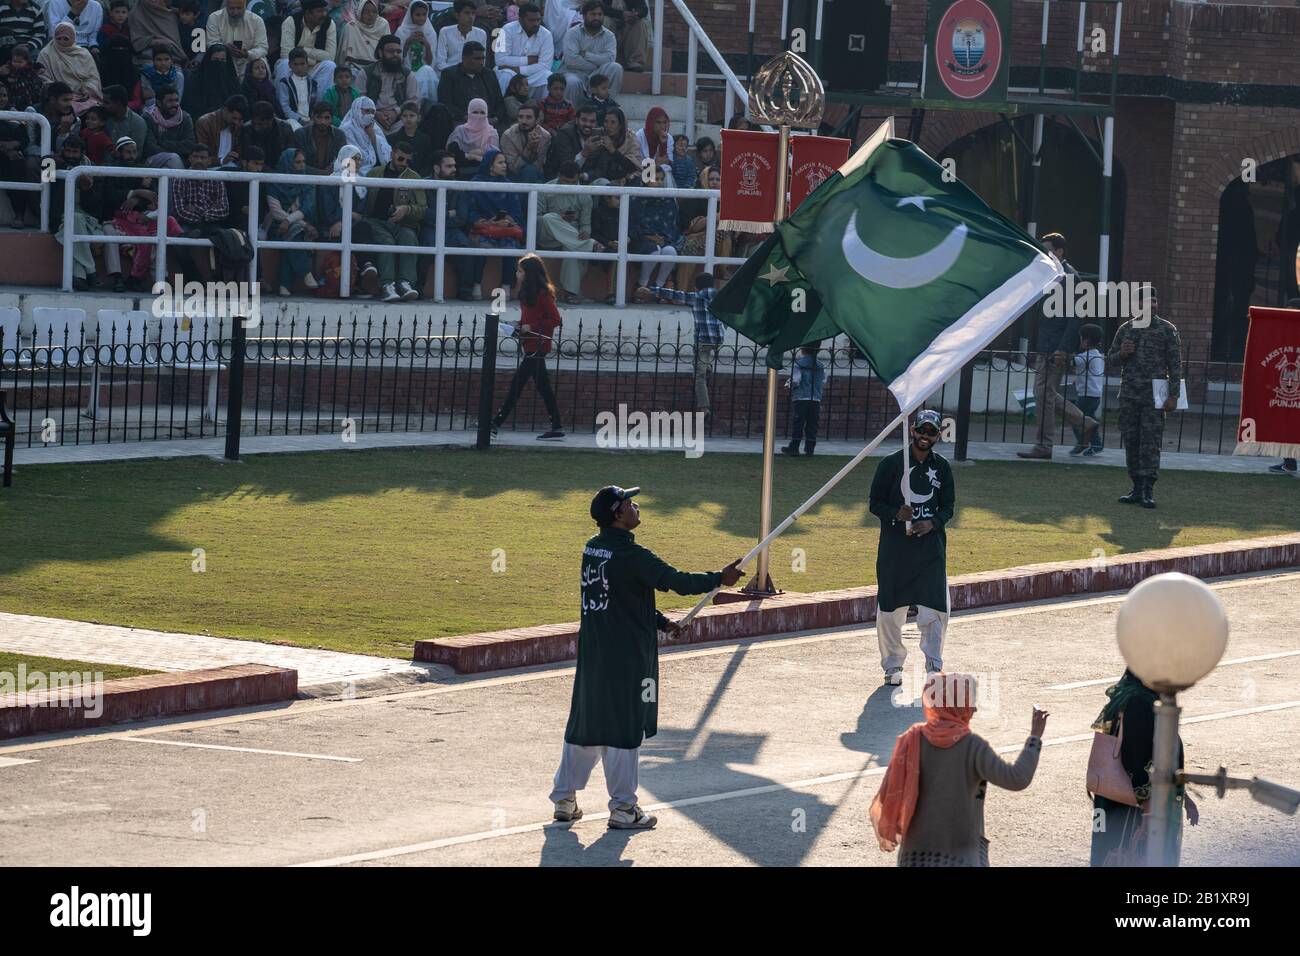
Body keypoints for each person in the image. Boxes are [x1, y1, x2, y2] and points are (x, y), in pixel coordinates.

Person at [550, 484, 743, 829]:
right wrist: (720, 578)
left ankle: (564, 798)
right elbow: (678, 581)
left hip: (594, 652)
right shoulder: (632, 555)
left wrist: (663, 623)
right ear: (617, 515)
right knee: (625, 728)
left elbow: (620, 597)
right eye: (629, 503)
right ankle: (624, 808)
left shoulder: (592, 549)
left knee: (587, 721)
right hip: (627, 655)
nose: (636, 506)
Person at [871, 673, 1047, 866]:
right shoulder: (971, 746)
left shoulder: (910, 740)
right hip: (959, 858)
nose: (975, 709)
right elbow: (1017, 778)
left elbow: (889, 794)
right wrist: (1035, 737)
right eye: (971, 702)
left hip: (914, 858)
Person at [868, 408, 955, 685]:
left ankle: (933, 663)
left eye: (932, 432)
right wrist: (896, 513)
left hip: (930, 549)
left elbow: (948, 506)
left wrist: (933, 523)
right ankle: (892, 665)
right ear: (912, 430)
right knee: (891, 608)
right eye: (921, 430)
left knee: (935, 607)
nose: (925, 436)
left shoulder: (941, 467)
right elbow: (874, 503)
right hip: (896, 549)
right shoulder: (891, 464)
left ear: (938, 435)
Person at [1089, 669, 1196, 867]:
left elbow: (1160, 759)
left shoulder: (1136, 696)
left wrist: (1184, 797)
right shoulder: (1139, 703)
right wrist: (1148, 813)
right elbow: (1137, 762)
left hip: (1118, 804)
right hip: (1133, 811)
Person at [1017, 232, 1099, 460]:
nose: (1044, 254)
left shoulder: (1070, 277)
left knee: (1043, 393)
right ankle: (1085, 423)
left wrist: (1063, 349)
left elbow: (1075, 318)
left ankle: (1045, 445)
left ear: (1060, 251)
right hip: (1047, 345)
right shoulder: (1051, 275)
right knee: (1044, 393)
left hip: (1056, 348)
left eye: (1048, 249)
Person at [1108, 286, 1182, 509]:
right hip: (1130, 394)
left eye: (1154, 301)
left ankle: (1148, 489)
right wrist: (1122, 353)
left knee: (1150, 442)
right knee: (1131, 440)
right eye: (1147, 301)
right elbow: (1111, 359)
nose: (1152, 305)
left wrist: (1174, 395)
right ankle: (1136, 487)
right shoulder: (1126, 329)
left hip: (1154, 396)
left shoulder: (1167, 330)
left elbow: (1175, 365)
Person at [489, 254, 567, 438]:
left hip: (538, 344)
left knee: (517, 384)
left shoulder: (544, 293)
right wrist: (518, 324)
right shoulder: (527, 293)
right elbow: (529, 318)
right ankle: (557, 425)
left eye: (521, 271)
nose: (517, 274)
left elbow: (555, 319)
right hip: (530, 343)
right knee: (544, 387)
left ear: (529, 273)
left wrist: (532, 326)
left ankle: (495, 423)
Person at [645, 271, 721, 415]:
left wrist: (653, 290)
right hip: (717, 339)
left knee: (699, 376)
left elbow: (674, 294)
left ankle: (704, 407)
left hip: (703, 339)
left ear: (697, 287)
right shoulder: (720, 297)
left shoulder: (696, 297)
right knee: (704, 356)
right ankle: (707, 366)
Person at [357, 138, 424, 301]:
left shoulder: (415, 179)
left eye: (408, 161)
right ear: (392, 154)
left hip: (402, 224)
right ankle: (386, 285)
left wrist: (406, 209)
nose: (404, 163)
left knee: (409, 238)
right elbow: (362, 200)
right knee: (386, 242)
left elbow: (422, 209)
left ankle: (406, 283)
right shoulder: (375, 173)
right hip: (375, 222)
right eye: (401, 158)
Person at [536, 159, 601, 303]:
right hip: (548, 235)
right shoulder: (545, 189)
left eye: (573, 182)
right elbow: (536, 218)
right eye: (566, 182)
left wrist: (585, 232)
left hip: (573, 236)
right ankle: (591, 245)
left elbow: (585, 224)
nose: (570, 186)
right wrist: (560, 218)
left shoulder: (584, 195)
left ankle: (571, 293)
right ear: (559, 176)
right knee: (548, 217)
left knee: (572, 248)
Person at [420, 147, 479, 298]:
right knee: (424, 246)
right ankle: (417, 288)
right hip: (430, 229)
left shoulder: (459, 186)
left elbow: (461, 217)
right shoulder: (423, 185)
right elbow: (423, 214)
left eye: (454, 166)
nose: (454, 169)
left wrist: (438, 217)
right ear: (436, 168)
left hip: (452, 230)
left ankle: (465, 291)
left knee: (465, 246)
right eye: (449, 166)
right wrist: (448, 214)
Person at [466, 147, 521, 299]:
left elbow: (516, 213)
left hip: (504, 230)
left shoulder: (509, 185)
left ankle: (506, 287)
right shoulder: (475, 183)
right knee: (483, 246)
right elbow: (470, 211)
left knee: (510, 246)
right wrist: (486, 222)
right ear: (490, 165)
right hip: (482, 229)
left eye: (505, 162)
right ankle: (476, 285)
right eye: (500, 163)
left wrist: (506, 221)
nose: (504, 166)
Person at [266, 147, 322, 294]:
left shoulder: (307, 182)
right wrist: (296, 223)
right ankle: (305, 273)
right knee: (295, 232)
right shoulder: (274, 182)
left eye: (303, 162)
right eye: (297, 162)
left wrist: (290, 222)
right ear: (288, 163)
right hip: (276, 225)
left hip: (297, 226)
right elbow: (276, 211)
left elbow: (307, 209)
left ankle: (285, 285)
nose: (302, 165)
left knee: (292, 237)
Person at [629, 163, 679, 297]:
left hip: (664, 239)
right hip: (641, 240)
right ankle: (641, 285)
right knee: (655, 251)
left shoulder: (668, 200)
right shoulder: (636, 199)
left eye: (662, 179)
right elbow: (631, 226)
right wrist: (648, 237)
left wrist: (664, 238)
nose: (660, 183)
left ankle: (658, 287)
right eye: (656, 179)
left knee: (670, 251)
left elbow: (673, 225)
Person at [560, 0, 620, 104]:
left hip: (598, 74)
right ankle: (573, 115)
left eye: (599, 14)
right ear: (584, 16)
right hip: (574, 73)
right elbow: (571, 61)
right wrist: (597, 65)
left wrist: (586, 55)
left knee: (615, 67)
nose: (596, 17)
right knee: (571, 81)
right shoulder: (572, 33)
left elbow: (610, 59)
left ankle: (608, 107)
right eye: (593, 14)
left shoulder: (609, 36)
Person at [493, 2, 551, 102]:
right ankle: (501, 110)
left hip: (532, 74)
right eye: (532, 20)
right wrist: (528, 60)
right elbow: (500, 60)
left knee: (547, 76)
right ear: (520, 19)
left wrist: (518, 69)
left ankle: (540, 111)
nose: (536, 23)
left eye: (538, 20)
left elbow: (545, 65)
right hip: (509, 72)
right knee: (505, 76)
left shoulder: (546, 34)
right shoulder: (506, 30)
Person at [436, 38, 501, 127]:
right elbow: (445, 103)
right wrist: (466, 118)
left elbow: (499, 102)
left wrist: (496, 118)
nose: (481, 62)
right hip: (461, 123)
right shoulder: (449, 75)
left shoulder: (489, 74)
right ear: (464, 59)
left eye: (483, 58)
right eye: (477, 59)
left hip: (489, 123)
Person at [38, 21, 101, 114]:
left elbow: (93, 78)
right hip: (59, 97)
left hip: (82, 96)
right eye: (59, 38)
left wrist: (87, 89)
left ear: (73, 38)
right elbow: (44, 78)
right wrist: (61, 93)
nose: (62, 42)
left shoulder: (83, 54)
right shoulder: (46, 54)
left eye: (66, 39)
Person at [1067, 323, 1106, 456]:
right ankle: (1096, 444)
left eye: (1080, 338)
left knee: (1077, 419)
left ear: (1086, 340)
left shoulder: (1085, 356)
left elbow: (1071, 362)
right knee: (1089, 420)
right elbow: (1091, 373)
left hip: (1086, 395)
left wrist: (1068, 351)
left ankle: (1082, 443)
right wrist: (1078, 379)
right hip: (1095, 394)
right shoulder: (1098, 355)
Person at [206, 0, 269, 82]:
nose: (235, 12)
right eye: (232, 8)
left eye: (239, 8)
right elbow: (211, 44)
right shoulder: (215, 18)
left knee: (261, 63)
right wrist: (224, 49)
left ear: (245, 6)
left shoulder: (257, 21)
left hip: (248, 62)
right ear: (226, 6)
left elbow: (263, 48)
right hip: (224, 61)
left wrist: (247, 54)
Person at [277, 0, 336, 87]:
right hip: (294, 67)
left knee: (330, 65)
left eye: (325, 10)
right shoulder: (291, 21)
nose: (324, 14)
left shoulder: (329, 23)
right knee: (285, 64)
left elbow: (330, 57)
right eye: (319, 11)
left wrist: (304, 50)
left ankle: (319, 100)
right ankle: (284, 100)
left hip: (315, 69)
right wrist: (313, 59)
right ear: (308, 13)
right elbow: (286, 55)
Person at [782, 343, 826, 457]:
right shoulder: (820, 365)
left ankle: (794, 446)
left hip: (801, 397)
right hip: (815, 398)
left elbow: (796, 380)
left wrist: (788, 385)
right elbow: (824, 380)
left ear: (803, 349)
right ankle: (810, 448)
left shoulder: (799, 364)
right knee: (812, 424)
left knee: (798, 422)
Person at [365, 33, 417, 130]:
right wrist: (376, 113)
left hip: (400, 118)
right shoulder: (366, 73)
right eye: (391, 51)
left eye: (398, 52)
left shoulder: (408, 75)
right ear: (380, 53)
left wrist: (396, 112)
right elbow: (359, 100)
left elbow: (412, 101)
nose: (395, 55)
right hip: (373, 117)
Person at [580, 104, 638, 184]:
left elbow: (632, 167)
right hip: (600, 181)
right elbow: (595, 167)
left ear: (620, 125)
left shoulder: (629, 139)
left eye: (613, 122)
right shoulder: (600, 136)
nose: (608, 126)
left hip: (624, 181)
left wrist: (613, 150)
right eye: (606, 122)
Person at [394, 0, 438, 103]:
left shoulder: (430, 32)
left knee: (427, 70)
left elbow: (431, 62)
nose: (421, 18)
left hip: (424, 71)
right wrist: (408, 43)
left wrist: (426, 44)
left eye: (424, 14)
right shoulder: (402, 31)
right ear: (411, 14)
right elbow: (397, 58)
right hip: (406, 72)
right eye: (417, 15)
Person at [183, 45, 242, 119]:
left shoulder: (232, 83)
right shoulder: (195, 80)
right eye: (215, 59)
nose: (219, 64)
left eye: (222, 60)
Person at [142, 85, 194, 168]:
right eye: (170, 101)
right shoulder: (148, 118)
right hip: (154, 159)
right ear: (159, 103)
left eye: (176, 100)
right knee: (173, 158)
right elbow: (150, 148)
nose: (175, 104)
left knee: (170, 164)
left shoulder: (185, 118)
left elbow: (189, 145)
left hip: (181, 160)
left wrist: (161, 143)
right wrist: (176, 149)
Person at [445, 95, 496, 178]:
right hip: (461, 171)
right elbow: (453, 153)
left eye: (482, 113)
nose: (478, 116)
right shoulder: (460, 130)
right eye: (475, 112)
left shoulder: (492, 133)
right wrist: (472, 155)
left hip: (485, 173)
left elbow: (493, 157)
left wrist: (468, 155)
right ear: (469, 113)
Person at [543, 102, 596, 180]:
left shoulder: (598, 134)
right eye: (584, 120)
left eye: (592, 121)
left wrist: (584, 176)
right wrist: (584, 153)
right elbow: (567, 167)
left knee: (603, 182)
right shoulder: (565, 133)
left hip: (587, 179)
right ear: (576, 120)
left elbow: (601, 168)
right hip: (562, 179)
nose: (588, 124)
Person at [337, 94, 389, 174]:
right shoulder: (347, 129)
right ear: (357, 109)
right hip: (351, 170)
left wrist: (372, 136)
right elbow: (352, 154)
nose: (370, 115)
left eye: (372, 112)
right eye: (367, 111)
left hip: (374, 170)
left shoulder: (374, 128)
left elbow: (387, 155)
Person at [499, 99, 549, 182]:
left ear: (537, 120)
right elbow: (514, 168)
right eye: (520, 117)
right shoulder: (508, 136)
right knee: (529, 171)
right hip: (514, 176)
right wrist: (529, 147)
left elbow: (538, 165)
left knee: (531, 171)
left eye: (528, 117)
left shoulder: (545, 136)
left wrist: (534, 148)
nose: (523, 121)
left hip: (536, 175)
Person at [194, 94, 249, 167]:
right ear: (225, 110)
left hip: (232, 168)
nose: (236, 122)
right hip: (209, 169)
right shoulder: (205, 123)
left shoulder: (238, 126)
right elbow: (201, 156)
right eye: (234, 118)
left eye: (239, 120)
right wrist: (222, 160)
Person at [293, 98, 346, 172]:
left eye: (326, 118)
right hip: (306, 178)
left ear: (331, 119)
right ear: (312, 117)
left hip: (332, 178)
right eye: (319, 117)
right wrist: (322, 173)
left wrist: (334, 168)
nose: (322, 122)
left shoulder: (339, 135)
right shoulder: (301, 134)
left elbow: (343, 161)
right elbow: (298, 165)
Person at [434, 0, 484, 75]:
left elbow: (482, 62)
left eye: (473, 13)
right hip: (450, 74)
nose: (471, 17)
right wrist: (456, 74)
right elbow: (440, 63)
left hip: (472, 74)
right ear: (457, 15)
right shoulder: (445, 32)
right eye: (467, 13)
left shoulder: (481, 34)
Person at [276, 46, 318, 129]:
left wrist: (313, 119)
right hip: (293, 120)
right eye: (295, 64)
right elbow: (285, 108)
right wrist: (300, 120)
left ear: (307, 64)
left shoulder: (313, 83)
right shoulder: (285, 83)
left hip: (311, 120)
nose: (299, 68)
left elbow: (315, 104)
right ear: (290, 65)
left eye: (302, 64)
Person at [599, 0, 647, 72]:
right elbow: (597, 8)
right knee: (605, 20)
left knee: (639, 23)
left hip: (626, 29)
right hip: (610, 26)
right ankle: (602, 61)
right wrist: (621, 14)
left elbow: (643, 9)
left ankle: (635, 62)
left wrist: (636, 14)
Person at [339, 0, 388, 70]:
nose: (370, 14)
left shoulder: (382, 25)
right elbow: (343, 54)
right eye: (366, 12)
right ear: (360, 12)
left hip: (378, 68)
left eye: (374, 12)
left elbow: (387, 49)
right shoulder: (352, 26)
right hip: (354, 67)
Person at [387, 99, 432, 174]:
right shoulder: (392, 138)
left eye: (411, 115)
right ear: (401, 118)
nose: (408, 119)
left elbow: (427, 162)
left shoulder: (425, 139)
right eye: (405, 116)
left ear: (419, 118)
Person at [0, 42, 43, 111]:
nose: (16, 64)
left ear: (26, 61)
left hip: (29, 93)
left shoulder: (30, 67)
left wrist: (41, 69)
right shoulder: (8, 68)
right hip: (15, 96)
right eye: (14, 61)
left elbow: (39, 66)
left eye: (20, 62)